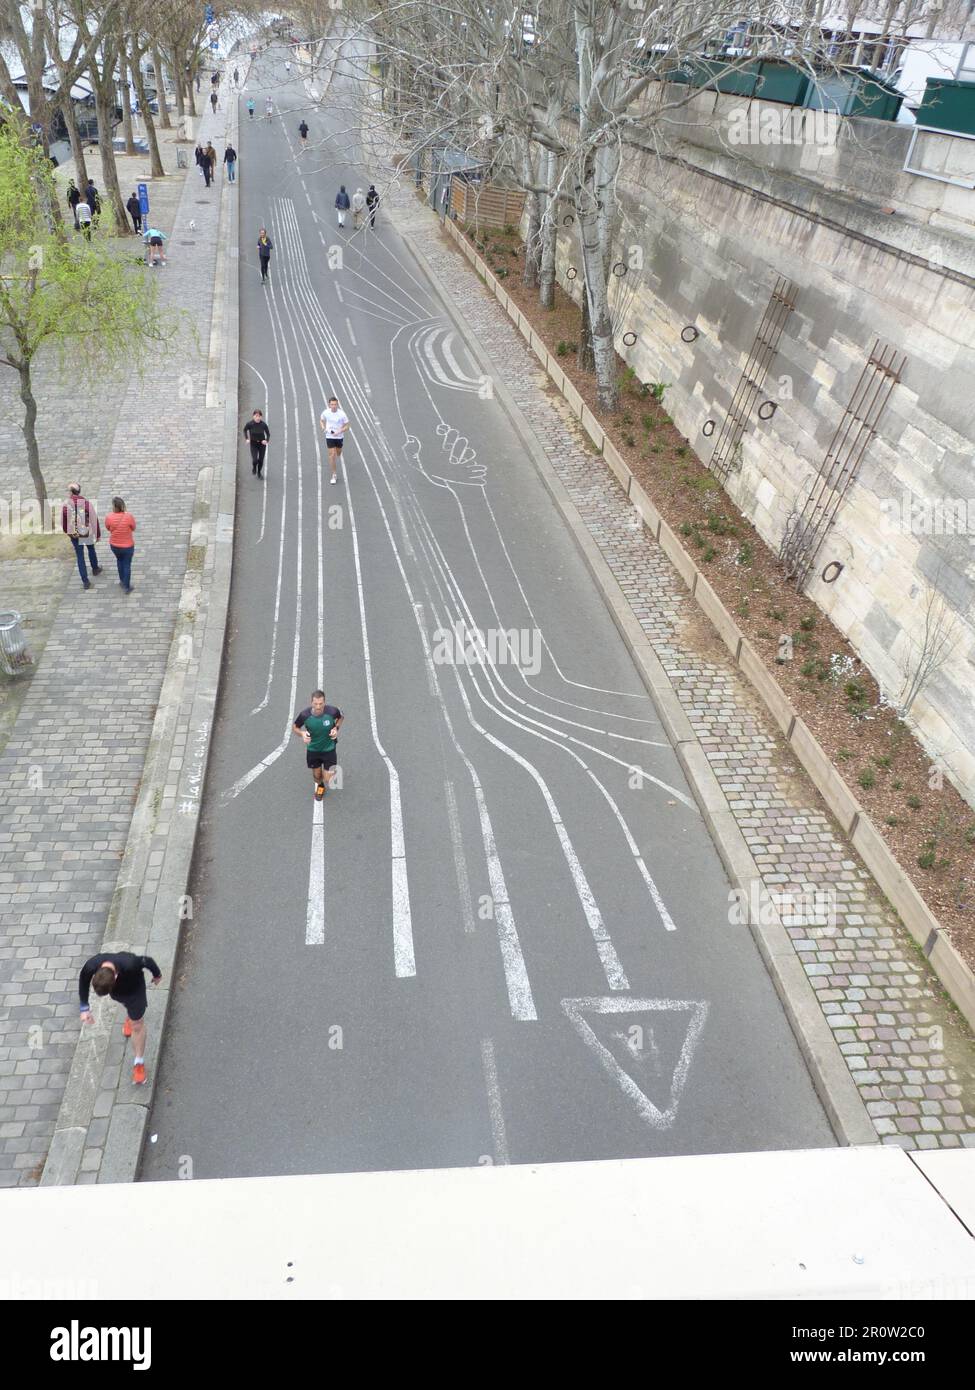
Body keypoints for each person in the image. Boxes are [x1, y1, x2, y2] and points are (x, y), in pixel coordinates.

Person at [79, 951, 162, 1086]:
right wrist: (84, 1008)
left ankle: (139, 1063)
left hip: (134, 992)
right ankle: (130, 1017)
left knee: (137, 1025)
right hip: (118, 994)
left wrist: (157, 975)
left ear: (116, 977)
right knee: (127, 1009)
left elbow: (147, 961)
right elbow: (83, 980)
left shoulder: (130, 963)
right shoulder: (91, 965)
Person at [293, 690, 343, 801]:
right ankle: (320, 787)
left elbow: (341, 717)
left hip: (329, 749)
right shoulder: (304, 715)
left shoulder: (332, 711)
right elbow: (295, 727)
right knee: (317, 776)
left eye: (321, 703)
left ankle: (329, 773)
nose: (318, 706)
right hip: (313, 750)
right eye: (315, 704)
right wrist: (301, 733)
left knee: (328, 779)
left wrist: (336, 728)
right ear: (311, 703)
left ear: (324, 702)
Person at [61, 483, 102, 589]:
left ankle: (85, 581)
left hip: (74, 534)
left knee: (80, 556)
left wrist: (69, 533)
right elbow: (93, 519)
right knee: (91, 549)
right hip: (86, 532)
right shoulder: (86, 503)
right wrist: (97, 534)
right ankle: (95, 569)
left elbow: (63, 523)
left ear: (71, 492)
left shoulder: (66, 505)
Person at [104, 496, 136, 592]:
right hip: (128, 546)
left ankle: (122, 580)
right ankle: (127, 586)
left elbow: (108, 528)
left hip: (115, 545)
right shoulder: (129, 516)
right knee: (127, 564)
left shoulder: (109, 517)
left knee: (119, 561)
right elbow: (133, 528)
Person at [319, 395, 350, 484]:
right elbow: (321, 420)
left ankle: (338, 450)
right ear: (329, 405)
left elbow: (347, 426)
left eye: (335, 404)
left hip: (339, 436)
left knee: (338, 453)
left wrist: (340, 431)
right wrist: (323, 428)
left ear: (337, 405)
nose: (333, 406)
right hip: (329, 436)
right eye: (332, 404)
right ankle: (334, 474)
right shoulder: (325, 412)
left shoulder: (342, 414)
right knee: (332, 455)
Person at [243, 408, 270, 477]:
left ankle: (259, 472)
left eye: (259, 416)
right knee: (255, 460)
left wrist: (266, 440)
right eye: (256, 416)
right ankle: (254, 467)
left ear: (261, 417)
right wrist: (247, 438)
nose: (257, 418)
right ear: (253, 416)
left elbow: (268, 433)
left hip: (261, 444)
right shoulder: (250, 424)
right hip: (253, 444)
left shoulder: (263, 425)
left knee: (261, 460)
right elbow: (245, 430)